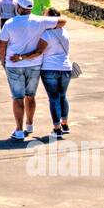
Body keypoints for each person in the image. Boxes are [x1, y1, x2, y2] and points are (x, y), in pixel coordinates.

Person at [0, 0, 66, 141]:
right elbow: (62, 21)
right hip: (35, 64)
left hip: (14, 64)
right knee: (30, 96)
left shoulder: (10, 23)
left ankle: (19, 130)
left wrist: (3, 61)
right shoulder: (40, 21)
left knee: (17, 97)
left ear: (19, 8)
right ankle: (29, 124)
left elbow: (2, 44)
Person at [36, 9, 73, 139]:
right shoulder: (65, 32)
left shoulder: (46, 34)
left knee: (54, 98)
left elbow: (39, 51)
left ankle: (57, 128)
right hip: (65, 67)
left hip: (49, 68)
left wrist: (23, 57)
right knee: (63, 96)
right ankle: (65, 124)